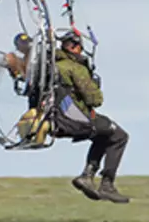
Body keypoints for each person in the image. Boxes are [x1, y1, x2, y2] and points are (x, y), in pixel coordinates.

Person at [54, 32, 131, 203]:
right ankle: (107, 184)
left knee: (103, 133)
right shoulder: (75, 68)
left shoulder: (50, 67)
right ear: (74, 47)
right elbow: (95, 100)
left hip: (55, 120)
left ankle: (87, 177)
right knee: (120, 136)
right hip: (75, 119)